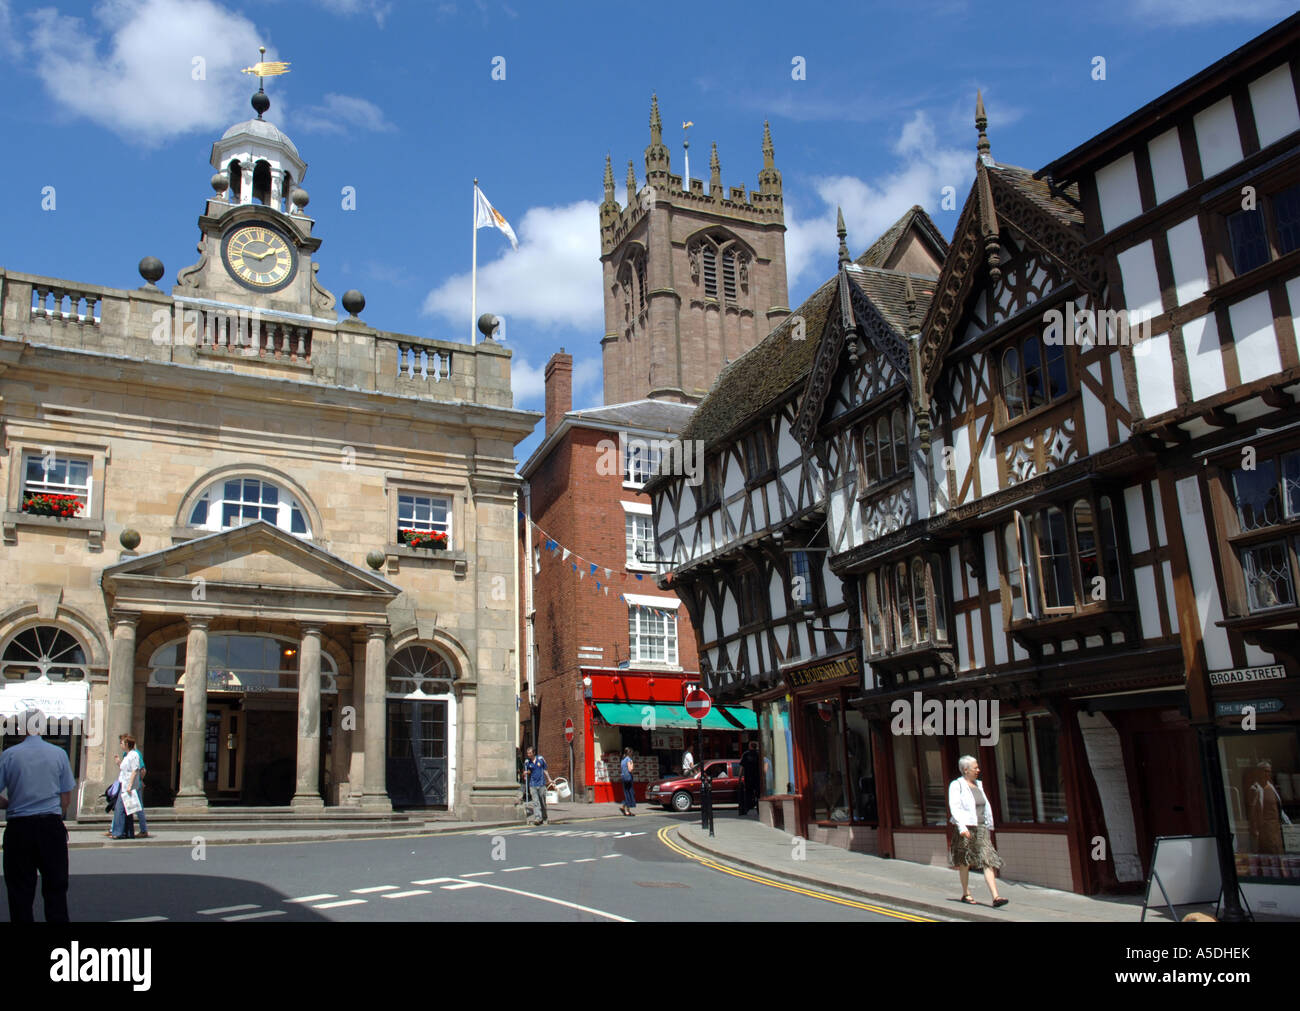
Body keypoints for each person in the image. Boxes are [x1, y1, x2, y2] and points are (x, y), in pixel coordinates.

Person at [0, 708, 76, 922]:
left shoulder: (10, 755)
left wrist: (9, 803)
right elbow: (66, 798)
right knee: (56, 890)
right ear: (43, 728)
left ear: (20, 728)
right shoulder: (59, 754)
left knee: (20, 892)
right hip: (50, 825)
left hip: (19, 826)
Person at [949, 755, 1008, 908]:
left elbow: (985, 807)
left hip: (981, 828)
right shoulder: (957, 785)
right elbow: (955, 807)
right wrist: (962, 828)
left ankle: (996, 897)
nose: (978, 770)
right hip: (966, 828)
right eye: (975, 768)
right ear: (966, 770)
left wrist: (989, 825)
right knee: (965, 861)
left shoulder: (979, 785)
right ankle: (966, 893)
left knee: (988, 860)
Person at [109, 734, 144, 840]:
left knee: (120, 809)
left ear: (127, 744)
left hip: (127, 787)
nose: (120, 744)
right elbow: (125, 769)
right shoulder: (127, 755)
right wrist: (119, 763)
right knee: (127, 810)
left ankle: (118, 832)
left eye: (122, 743)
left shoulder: (134, 755)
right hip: (123, 784)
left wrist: (130, 785)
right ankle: (128, 832)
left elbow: (134, 770)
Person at [523, 746, 553, 826]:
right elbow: (529, 771)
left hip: (541, 784)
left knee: (542, 802)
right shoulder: (527, 762)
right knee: (535, 802)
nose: (528, 755)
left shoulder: (541, 759)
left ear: (533, 753)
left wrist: (549, 779)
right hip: (532, 785)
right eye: (527, 753)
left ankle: (545, 818)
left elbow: (545, 770)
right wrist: (526, 773)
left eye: (530, 753)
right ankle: (537, 818)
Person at [739, 740, 761, 816]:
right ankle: (759, 807)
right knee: (758, 793)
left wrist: (740, 777)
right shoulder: (759, 754)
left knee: (748, 793)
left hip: (748, 777)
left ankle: (748, 807)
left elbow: (742, 767)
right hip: (757, 777)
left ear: (750, 746)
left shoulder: (745, 754)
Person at [619, 747, 636, 816]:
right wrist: (632, 765)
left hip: (623, 778)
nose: (632, 754)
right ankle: (626, 810)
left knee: (627, 793)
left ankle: (624, 808)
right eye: (631, 752)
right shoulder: (629, 759)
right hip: (628, 778)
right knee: (630, 794)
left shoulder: (622, 760)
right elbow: (630, 769)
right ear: (629, 753)